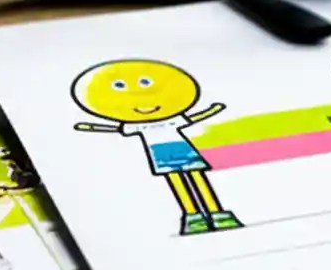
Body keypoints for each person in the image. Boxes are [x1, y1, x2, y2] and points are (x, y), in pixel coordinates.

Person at [71, 59, 244, 235]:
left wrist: (212, 110)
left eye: (145, 83)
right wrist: (89, 127)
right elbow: (116, 128)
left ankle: (217, 213)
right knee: (177, 181)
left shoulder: (171, 118)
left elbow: (194, 118)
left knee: (197, 178)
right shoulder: (136, 125)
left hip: (182, 149)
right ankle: (193, 216)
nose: (139, 96)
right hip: (160, 154)